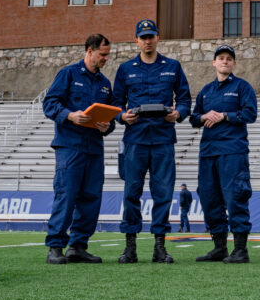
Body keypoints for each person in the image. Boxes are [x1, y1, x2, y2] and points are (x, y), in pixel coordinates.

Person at [112, 20, 191, 265]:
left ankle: (159, 248)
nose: (147, 41)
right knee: (131, 193)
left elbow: (185, 100)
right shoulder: (125, 69)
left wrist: (178, 113)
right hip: (134, 140)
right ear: (136, 40)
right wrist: (122, 116)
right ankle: (130, 248)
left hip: (163, 140)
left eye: (151, 36)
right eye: (143, 37)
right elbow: (115, 103)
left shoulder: (173, 66)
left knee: (163, 194)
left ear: (158, 38)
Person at [42, 34, 115, 265]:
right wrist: (70, 115)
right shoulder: (68, 74)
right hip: (70, 146)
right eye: (102, 54)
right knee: (66, 194)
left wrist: (107, 126)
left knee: (91, 197)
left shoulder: (105, 84)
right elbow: (49, 104)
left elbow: (111, 118)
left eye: (108, 55)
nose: (106, 59)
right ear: (89, 50)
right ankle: (55, 246)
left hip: (94, 147)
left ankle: (78, 246)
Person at [190, 44, 257, 264]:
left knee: (235, 197)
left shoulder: (242, 87)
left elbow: (250, 114)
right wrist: (203, 117)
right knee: (209, 199)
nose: (225, 61)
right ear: (214, 63)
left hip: (233, 152)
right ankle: (219, 247)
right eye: (221, 58)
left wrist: (225, 116)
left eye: (229, 58)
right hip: (208, 152)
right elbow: (193, 118)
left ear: (234, 63)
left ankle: (240, 250)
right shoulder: (206, 91)